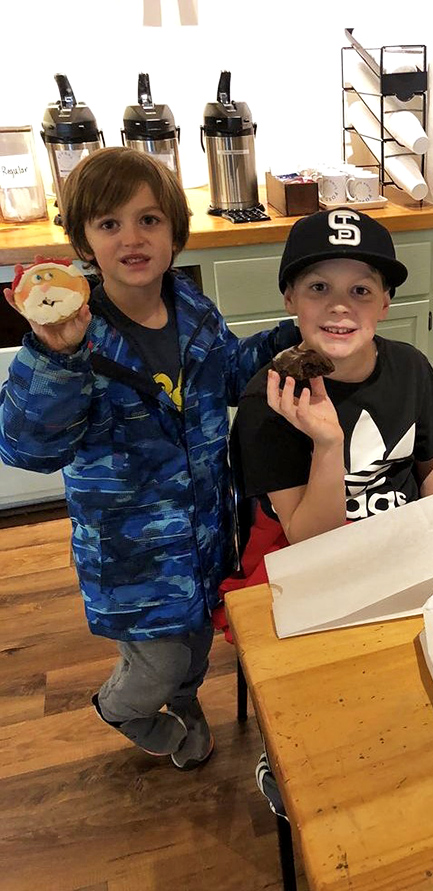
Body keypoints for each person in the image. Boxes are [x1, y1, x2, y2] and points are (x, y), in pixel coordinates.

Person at [0, 147, 300, 768]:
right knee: (155, 665)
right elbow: (27, 446)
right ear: (84, 240)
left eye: (149, 220)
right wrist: (56, 359)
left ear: (174, 233)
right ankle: (124, 709)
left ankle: (185, 702)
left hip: (206, 535)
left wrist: (293, 334)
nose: (131, 238)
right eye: (109, 223)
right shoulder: (72, 336)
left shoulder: (193, 310)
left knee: (194, 649)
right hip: (131, 556)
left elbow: (229, 374)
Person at [219, 207, 433, 593]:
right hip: (314, 569)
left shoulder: (411, 367)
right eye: (319, 287)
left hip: (403, 551)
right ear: (290, 298)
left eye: (360, 291)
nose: (340, 306)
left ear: (384, 303)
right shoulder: (269, 399)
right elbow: (309, 540)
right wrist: (328, 445)